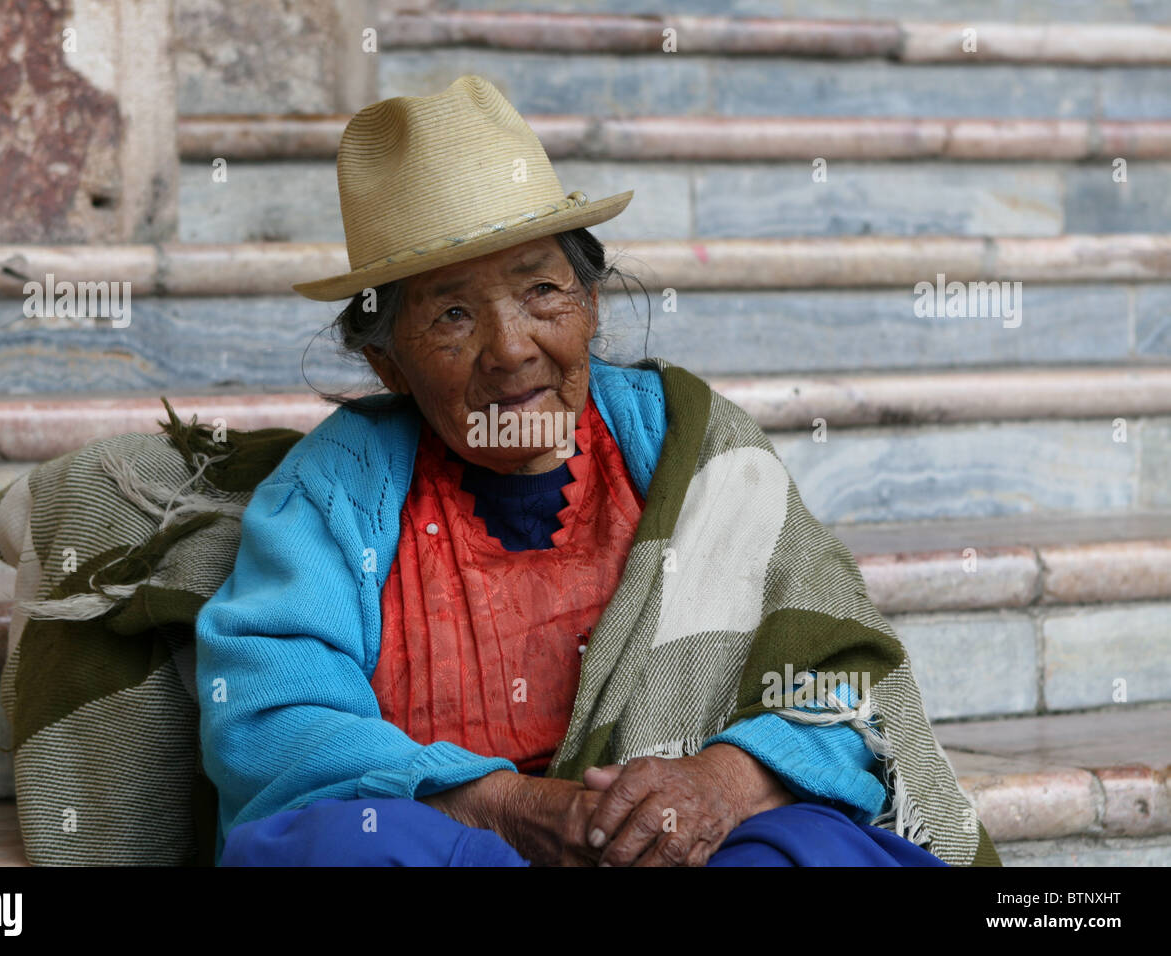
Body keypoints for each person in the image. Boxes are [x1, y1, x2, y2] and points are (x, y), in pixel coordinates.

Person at [194, 75, 997, 867]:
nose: (511, 349)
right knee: (340, 848)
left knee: (809, 847)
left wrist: (719, 785)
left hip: (686, 851)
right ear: (388, 362)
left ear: (592, 302)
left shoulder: (689, 444)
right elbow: (271, 715)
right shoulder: (335, 489)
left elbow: (835, 681)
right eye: (453, 314)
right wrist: (506, 810)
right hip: (466, 846)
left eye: (542, 290)